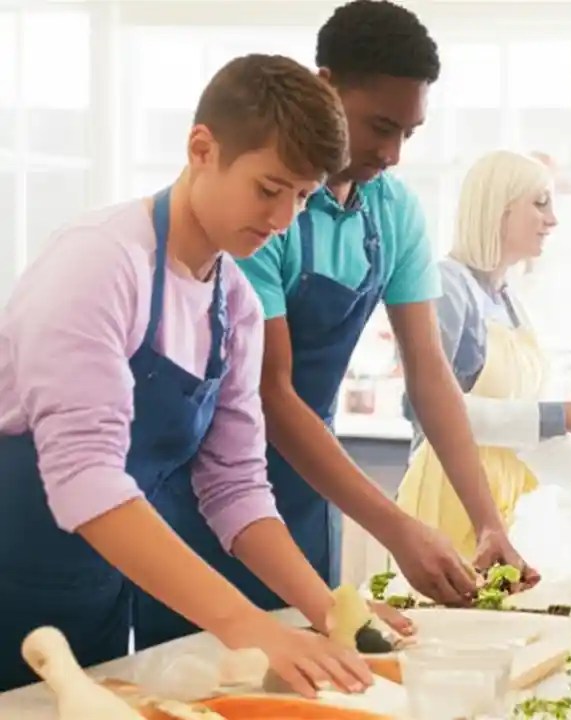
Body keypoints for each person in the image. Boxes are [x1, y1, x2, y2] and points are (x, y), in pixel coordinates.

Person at [137, 0, 527, 650]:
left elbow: (429, 373)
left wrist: (485, 522)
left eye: (409, 131)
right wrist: (398, 529)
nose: (393, 152)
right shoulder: (264, 210)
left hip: (315, 491)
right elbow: (273, 391)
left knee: (320, 674)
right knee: (200, 675)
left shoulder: (394, 210)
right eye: (379, 125)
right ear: (325, 88)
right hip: (209, 485)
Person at [0, 55, 370, 696]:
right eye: (269, 189)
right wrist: (252, 626)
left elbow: (235, 489)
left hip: (98, 599)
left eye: (303, 198)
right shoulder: (98, 263)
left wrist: (332, 614)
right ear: (203, 149)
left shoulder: (236, 306)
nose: (284, 220)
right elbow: (85, 479)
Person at [396, 150, 571, 556]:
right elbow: (430, 411)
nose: (552, 219)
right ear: (498, 210)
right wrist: (561, 415)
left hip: (501, 505)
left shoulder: (508, 302)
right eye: (540, 203)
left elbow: (529, 442)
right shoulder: (448, 288)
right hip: (445, 500)